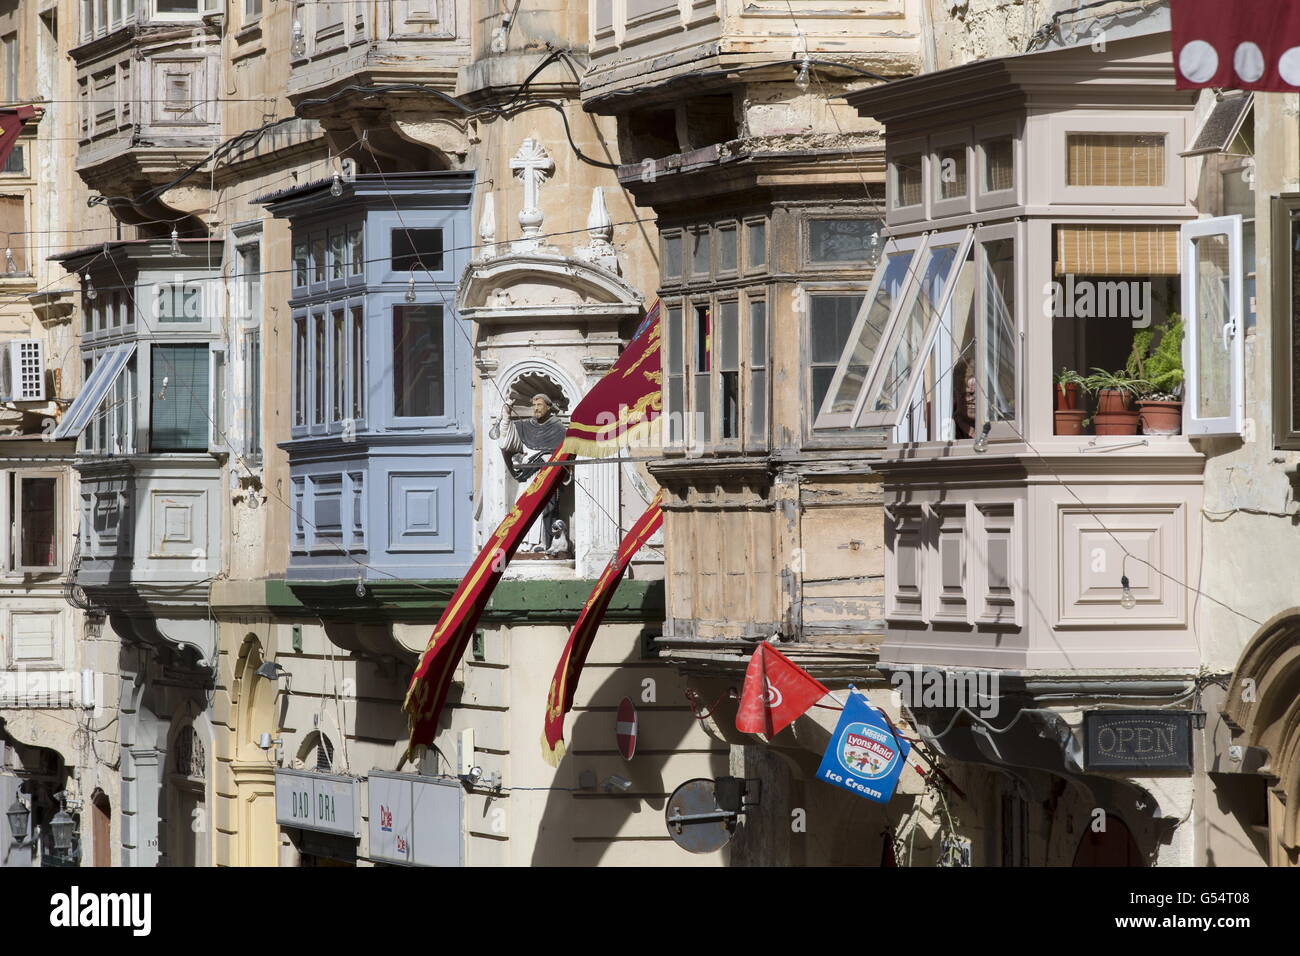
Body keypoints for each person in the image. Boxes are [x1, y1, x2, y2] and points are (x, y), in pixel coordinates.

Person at [490, 393, 570, 554]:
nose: (536, 408)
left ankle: (543, 542)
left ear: (548, 407)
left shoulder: (558, 428)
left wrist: (545, 459)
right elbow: (506, 441)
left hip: (546, 476)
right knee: (524, 507)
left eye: (539, 405)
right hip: (528, 477)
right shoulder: (525, 426)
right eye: (534, 405)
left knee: (543, 510)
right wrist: (506, 415)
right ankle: (524, 543)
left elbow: (564, 455)